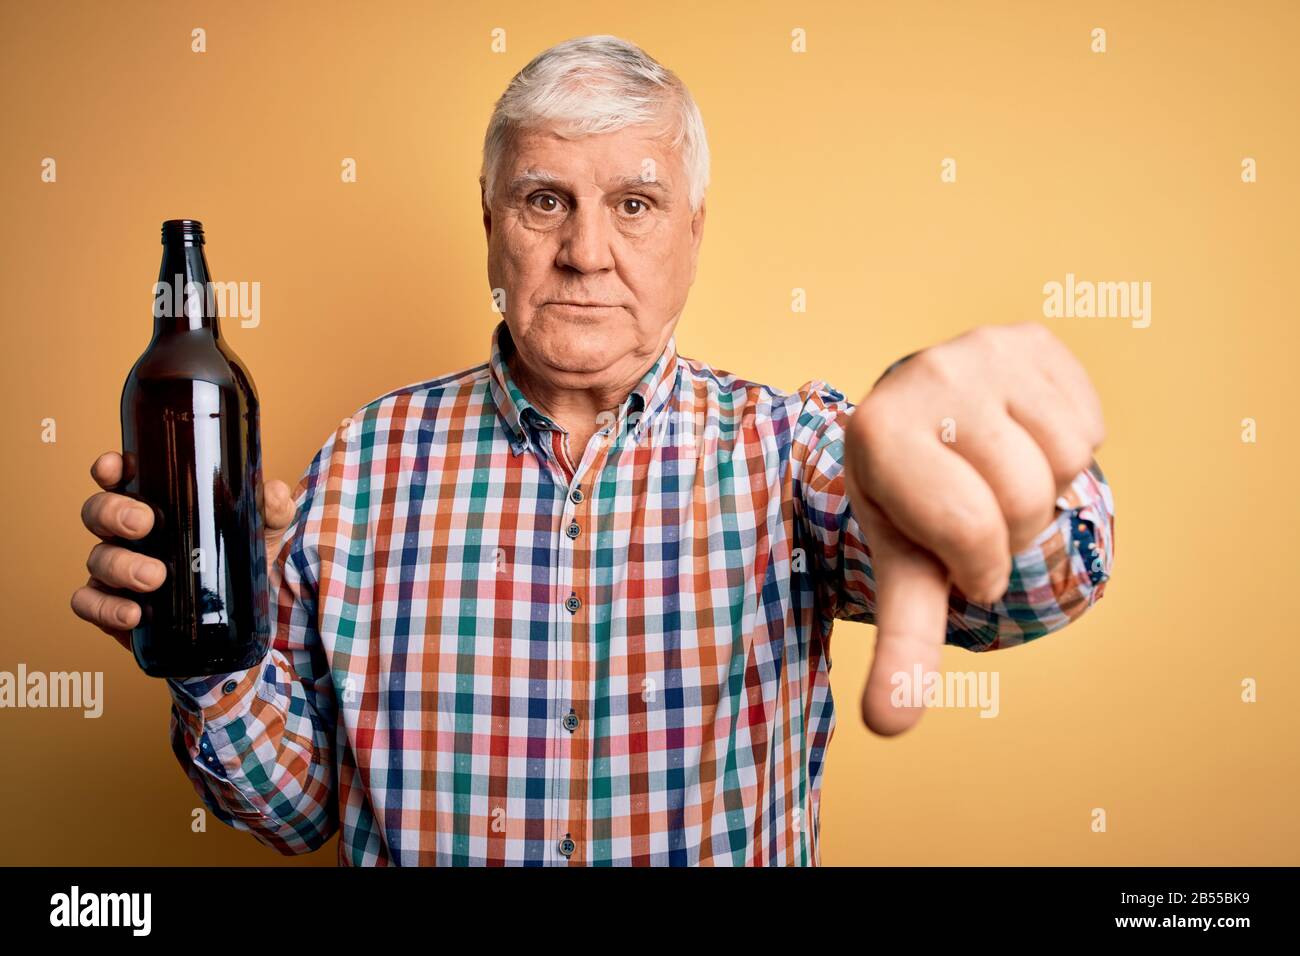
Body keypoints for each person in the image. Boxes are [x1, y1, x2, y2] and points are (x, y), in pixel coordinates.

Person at [71, 34, 1114, 866]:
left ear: (692, 232)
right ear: (489, 222)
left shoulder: (791, 454)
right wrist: (213, 660)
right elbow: (298, 812)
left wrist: (996, 464)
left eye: (634, 203)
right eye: (543, 201)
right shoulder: (358, 465)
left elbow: (1039, 580)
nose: (584, 251)